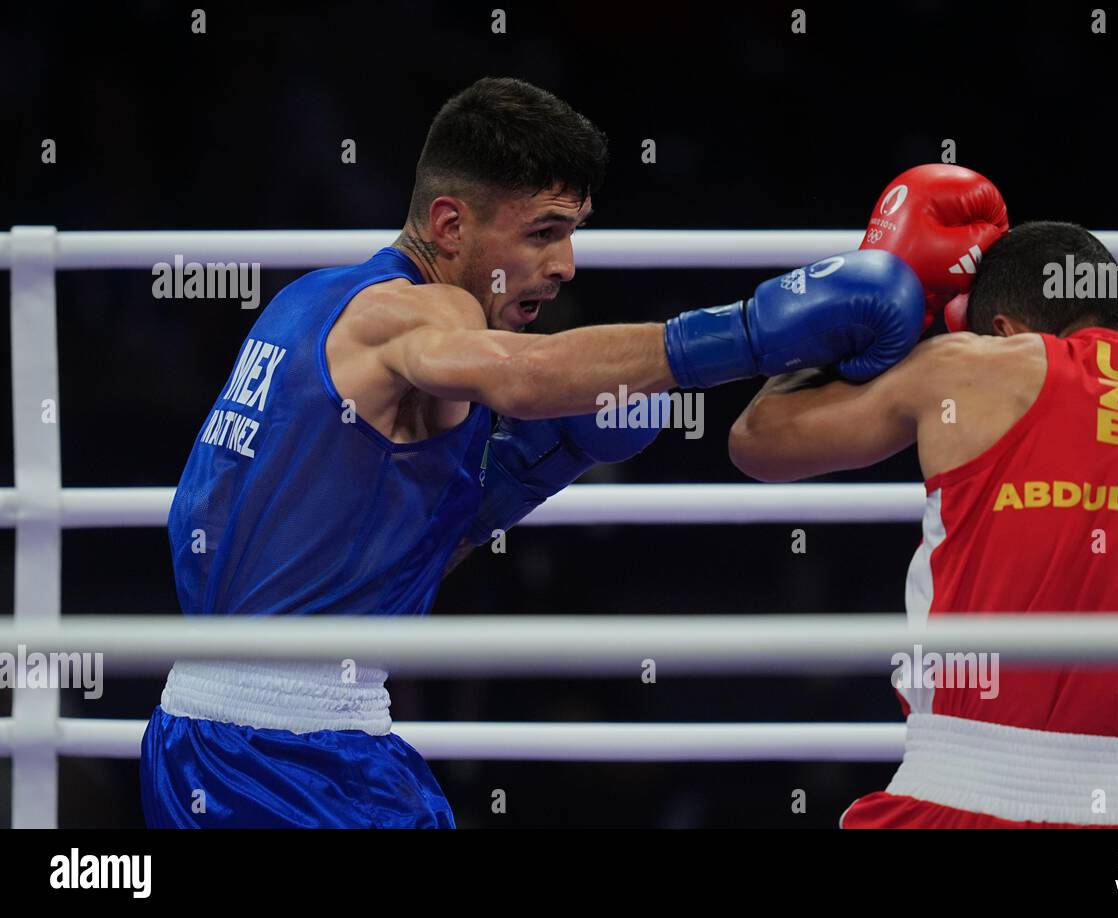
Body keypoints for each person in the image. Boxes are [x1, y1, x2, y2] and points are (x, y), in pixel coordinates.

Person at [140, 77, 929, 827]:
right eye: (544, 232)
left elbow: (324, 556)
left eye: (573, 233)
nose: (566, 266)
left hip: (195, 737)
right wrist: (749, 335)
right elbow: (522, 379)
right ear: (450, 226)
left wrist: (518, 478)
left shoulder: (308, 300)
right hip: (296, 755)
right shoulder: (419, 312)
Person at [728, 170, 1118, 828]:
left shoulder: (969, 366)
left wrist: (881, 291)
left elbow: (757, 440)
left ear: (1005, 329)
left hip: (949, 795)